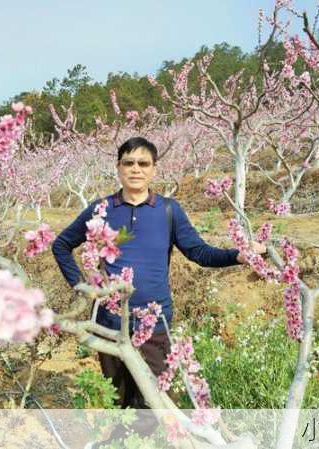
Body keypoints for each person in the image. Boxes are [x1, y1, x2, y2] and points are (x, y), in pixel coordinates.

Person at [52, 136, 266, 410]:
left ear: (154, 169)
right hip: (110, 323)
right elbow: (61, 245)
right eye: (128, 163)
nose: (135, 169)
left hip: (154, 324)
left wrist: (238, 254)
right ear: (118, 167)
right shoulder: (101, 209)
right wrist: (83, 286)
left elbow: (199, 252)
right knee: (119, 401)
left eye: (143, 163)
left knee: (159, 402)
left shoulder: (168, 210)